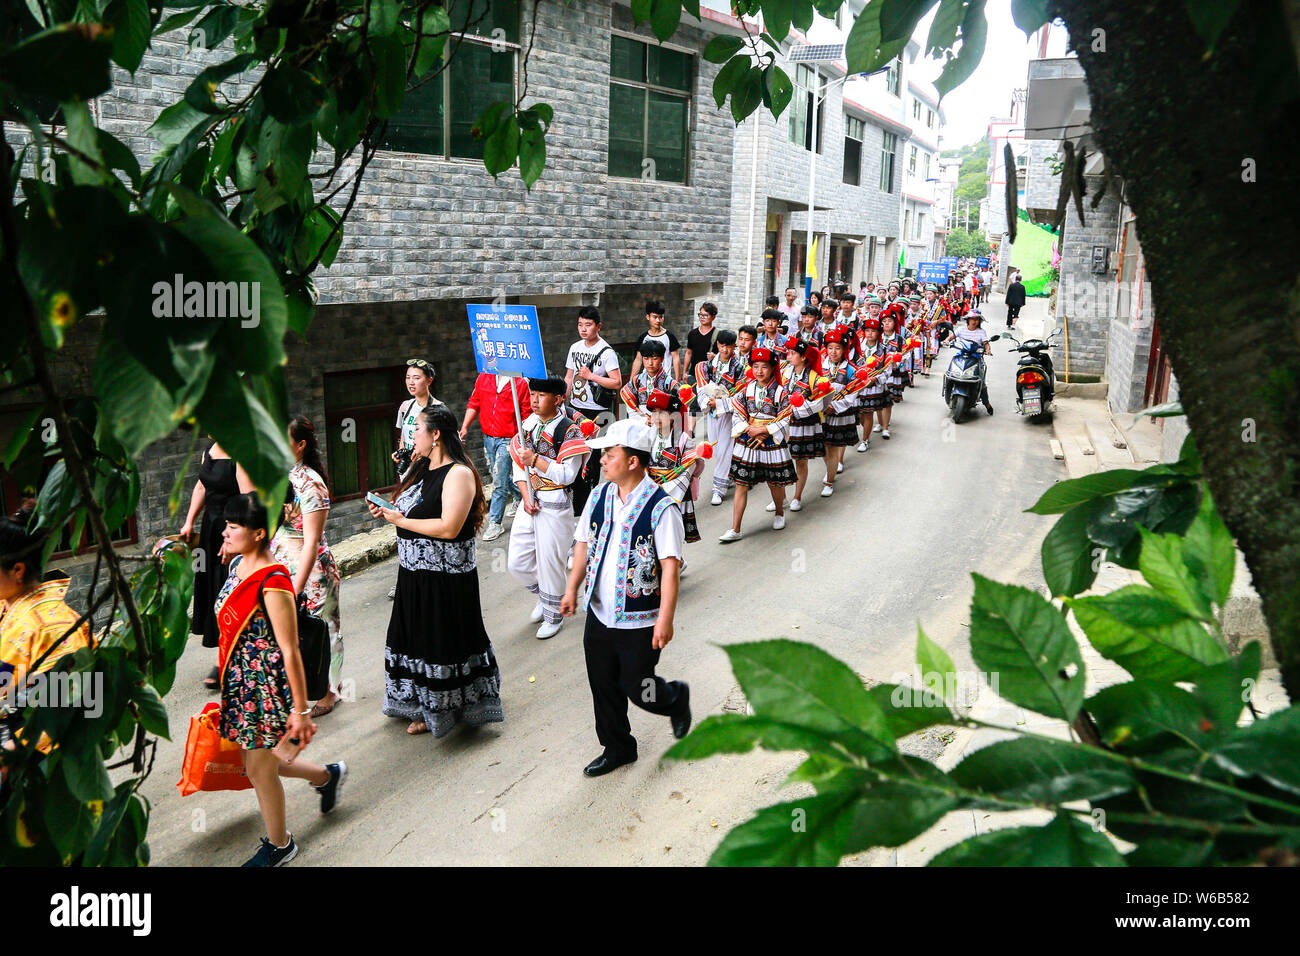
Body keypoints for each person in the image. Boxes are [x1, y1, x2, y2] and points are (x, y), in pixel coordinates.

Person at [214, 492, 345, 867]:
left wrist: (299, 712)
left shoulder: (273, 581)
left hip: (264, 689)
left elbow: (289, 649)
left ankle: (280, 844)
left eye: (233, 526)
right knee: (260, 761)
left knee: (258, 768)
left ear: (257, 534)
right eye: (226, 524)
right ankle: (325, 775)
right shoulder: (236, 564)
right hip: (238, 682)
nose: (225, 532)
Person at [559, 418, 691, 777]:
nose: (602, 460)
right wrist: (572, 588)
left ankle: (675, 699)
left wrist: (665, 619)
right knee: (602, 684)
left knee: (638, 687)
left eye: (609, 454)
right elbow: (583, 543)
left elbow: (669, 567)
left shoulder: (662, 508)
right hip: (600, 614)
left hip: (641, 620)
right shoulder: (600, 496)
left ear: (633, 461)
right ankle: (618, 747)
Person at [369, 405, 504, 737]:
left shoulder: (458, 473)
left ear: (436, 435)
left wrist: (401, 520)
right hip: (414, 572)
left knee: (441, 640)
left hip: (445, 577)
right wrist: (387, 511)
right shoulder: (421, 468)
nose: (412, 436)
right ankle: (417, 703)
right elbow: (411, 507)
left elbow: (448, 526)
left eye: (417, 430)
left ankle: (445, 708)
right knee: (413, 638)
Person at [0, 508, 93, 754]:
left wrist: (17, 746)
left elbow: (75, 698)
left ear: (17, 570)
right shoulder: (6, 603)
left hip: (30, 752)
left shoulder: (55, 626)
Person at [270, 416, 342, 718]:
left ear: (300, 445)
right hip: (280, 565)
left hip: (311, 572)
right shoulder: (280, 477)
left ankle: (330, 691)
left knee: (323, 630)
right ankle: (297, 690)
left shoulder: (311, 483)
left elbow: (311, 541)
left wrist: (297, 586)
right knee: (289, 632)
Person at [507, 377, 589, 640]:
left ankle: (554, 615)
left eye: (541, 395)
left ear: (558, 399)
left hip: (555, 503)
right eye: (532, 394)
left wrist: (537, 461)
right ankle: (544, 597)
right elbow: (518, 466)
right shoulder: (526, 424)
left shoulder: (569, 430)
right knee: (517, 562)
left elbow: (568, 475)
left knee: (550, 563)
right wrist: (525, 495)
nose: (533, 400)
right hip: (529, 500)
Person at [179, 438, 253, 689]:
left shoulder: (240, 452)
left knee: (229, 594)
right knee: (213, 591)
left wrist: (233, 537)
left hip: (230, 530)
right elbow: (201, 487)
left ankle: (232, 662)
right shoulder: (210, 450)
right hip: (210, 529)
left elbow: (247, 500)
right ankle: (227, 658)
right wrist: (189, 520)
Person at [720, 347, 795, 542]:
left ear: (772, 368)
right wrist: (748, 428)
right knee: (741, 484)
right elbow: (737, 413)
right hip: (748, 439)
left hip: (770, 441)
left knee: (774, 482)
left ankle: (779, 512)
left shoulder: (780, 392)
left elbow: (785, 417)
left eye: (764, 367)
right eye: (755, 366)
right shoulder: (746, 390)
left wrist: (763, 431)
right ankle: (735, 528)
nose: (759, 371)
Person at [390, 358, 445, 598]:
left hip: (428, 469)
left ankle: (431, 566)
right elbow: (403, 436)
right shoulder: (405, 407)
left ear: (429, 380)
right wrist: (400, 453)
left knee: (425, 515)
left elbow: (443, 442)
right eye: (408, 378)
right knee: (404, 517)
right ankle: (406, 571)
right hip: (407, 471)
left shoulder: (438, 409)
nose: (411, 383)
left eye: (416, 378)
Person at [562, 305, 622, 517]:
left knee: (594, 456)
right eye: (580, 325)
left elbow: (616, 382)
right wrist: (563, 398)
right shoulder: (574, 347)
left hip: (598, 412)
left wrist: (591, 376)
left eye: (588, 325)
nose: (583, 329)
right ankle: (578, 502)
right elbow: (569, 376)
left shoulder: (606, 352)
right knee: (575, 452)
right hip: (576, 408)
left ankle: (591, 503)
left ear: (598, 326)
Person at [461, 372, 530, 542]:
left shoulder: (520, 382)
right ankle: (519, 495)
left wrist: (526, 437)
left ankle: (495, 522)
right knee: (499, 475)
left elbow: (526, 412)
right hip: (488, 436)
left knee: (498, 481)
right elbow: (474, 402)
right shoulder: (484, 376)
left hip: (508, 438)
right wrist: (465, 427)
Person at [775, 337, 828, 514]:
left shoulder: (815, 377)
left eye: (792, 353)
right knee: (780, 461)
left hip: (803, 424)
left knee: (800, 461)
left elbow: (820, 403)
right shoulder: (784, 373)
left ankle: (797, 496)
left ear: (803, 357)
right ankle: (780, 498)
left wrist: (798, 406)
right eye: (788, 353)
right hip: (784, 423)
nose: (788, 356)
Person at [694, 328, 744, 506]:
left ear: (734, 347)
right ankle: (730, 473)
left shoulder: (739, 367)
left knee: (724, 449)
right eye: (722, 346)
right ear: (717, 345)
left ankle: (718, 489)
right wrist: (707, 401)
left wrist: (723, 402)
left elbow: (740, 392)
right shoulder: (706, 365)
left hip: (729, 413)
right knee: (716, 449)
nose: (725, 350)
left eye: (729, 347)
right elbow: (701, 388)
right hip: (712, 412)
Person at [819, 327, 860, 497]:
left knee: (833, 448)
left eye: (837, 348)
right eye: (830, 348)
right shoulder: (820, 367)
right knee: (824, 447)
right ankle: (831, 468)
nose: (833, 352)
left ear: (844, 350)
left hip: (839, 414)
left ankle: (829, 481)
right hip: (821, 414)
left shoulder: (851, 370)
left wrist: (833, 406)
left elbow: (852, 395)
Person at [682, 303, 720, 432]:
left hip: (709, 376)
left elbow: (722, 356)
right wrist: (685, 372)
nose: (702, 317)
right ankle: (690, 431)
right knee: (693, 403)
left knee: (707, 403)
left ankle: (707, 431)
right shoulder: (693, 334)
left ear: (713, 317)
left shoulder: (717, 335)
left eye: (705, 315)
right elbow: (688, 352)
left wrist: (714, 356)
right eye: (700, 314)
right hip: (693, 373)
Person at [855, 316, 890, 450]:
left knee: (868, 412)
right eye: (867, 330)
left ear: (879, 333)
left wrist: (875, 379)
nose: (870, 333)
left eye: (873, 331)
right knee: (861, 415)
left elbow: (888, 369)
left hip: (873, 387)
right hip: (858, 386)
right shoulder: (858, 348)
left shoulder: (883, 349)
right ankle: (867, 431)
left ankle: (864, 440)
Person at [621, 340, 678, 418]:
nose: (650, 363)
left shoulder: (670, 383)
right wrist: (641, 417)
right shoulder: (636, 381)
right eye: (646, 358)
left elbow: (678, 406)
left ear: (662, 359)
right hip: (640, 422)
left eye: (654, 358)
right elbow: (631, 405)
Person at [954, 308, 995, 414]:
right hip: (961, 356)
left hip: (976, 358)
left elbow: (986, 344)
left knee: (981, 382)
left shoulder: (981, 332)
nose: (974, 321)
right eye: (972, 318)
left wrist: (988, 350)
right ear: (968, 319)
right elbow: (951, 337)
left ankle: (987, 403)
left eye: (977, 319)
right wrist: (946, 341)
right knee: (951, 372)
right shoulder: (961, 329)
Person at [629, 300, 682, 382]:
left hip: (664, 381)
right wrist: (631, 381)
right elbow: (638, 360)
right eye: (655, 317)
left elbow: (676, 358)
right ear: (648, 317)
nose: (658, 320)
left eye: (661, 317)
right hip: (646, 380)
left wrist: (677, 380)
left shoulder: (669, 336)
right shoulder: (643, 337)